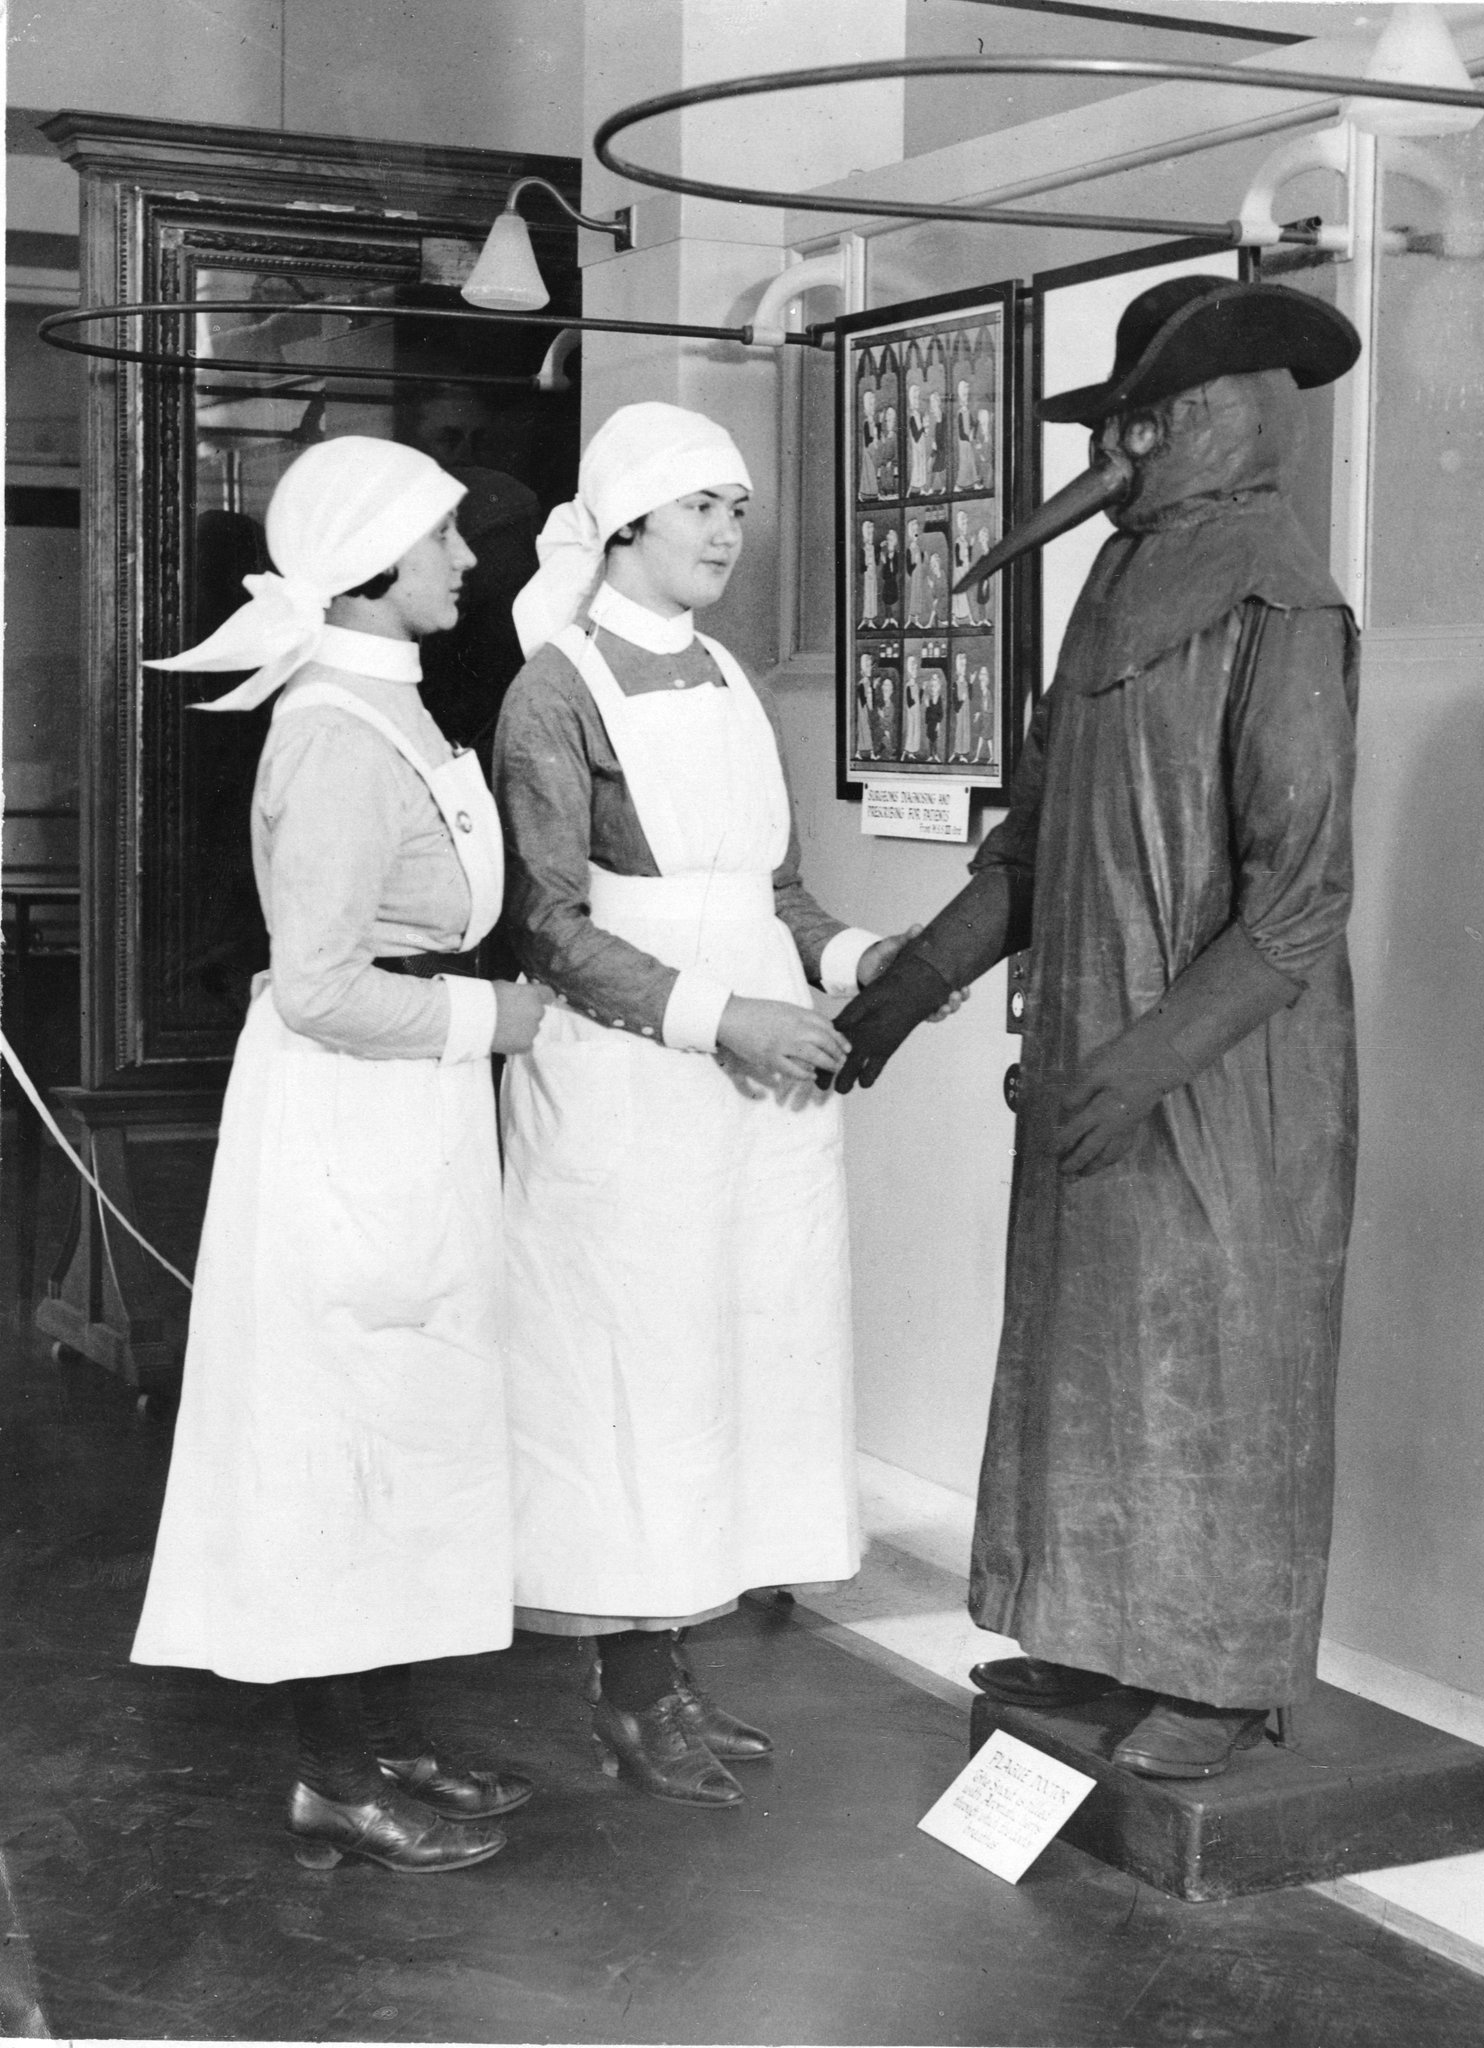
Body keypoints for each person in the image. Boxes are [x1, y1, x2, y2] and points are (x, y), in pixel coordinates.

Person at [829, 277, 1362, 1781]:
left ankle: (1217, 1671)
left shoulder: (1280, 600)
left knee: (1222, 1348)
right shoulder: (1119, 585)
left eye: (1142, 422)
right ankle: (1098, 1633)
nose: (1118, 452)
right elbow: (1035, 839)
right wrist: (905, 988)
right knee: (1092, 1343)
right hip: (1100, 1058)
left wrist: (1139, 1063)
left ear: (1223, 417)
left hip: (1225, 1080)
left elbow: (1296, 906)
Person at [494, 402, 953, 1809]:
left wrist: (863, 961)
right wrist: (723, 1018)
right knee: (633, 1374)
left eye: (739, 511)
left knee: (734, 1362)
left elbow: (776, 894)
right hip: (633, 1075)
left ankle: (675, 1673)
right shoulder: (551, 691)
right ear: (624, 517)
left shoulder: (733, 679)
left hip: (754, 1091)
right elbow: (551, 926)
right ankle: (629, 1691)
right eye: (701, 507)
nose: (726, 535)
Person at [130, 436, 547, 1872]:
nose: (467, 562)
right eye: (443, 541)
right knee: (338, 1431)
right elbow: (315, 985)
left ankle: (381, 1736)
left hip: (405, 1104)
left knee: (406, 1422)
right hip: (346, 1110)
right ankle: (330, 1771)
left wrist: (470, 1022)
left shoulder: (397, 715)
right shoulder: (329, 732)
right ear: (372, 567)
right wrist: (495, 1014)